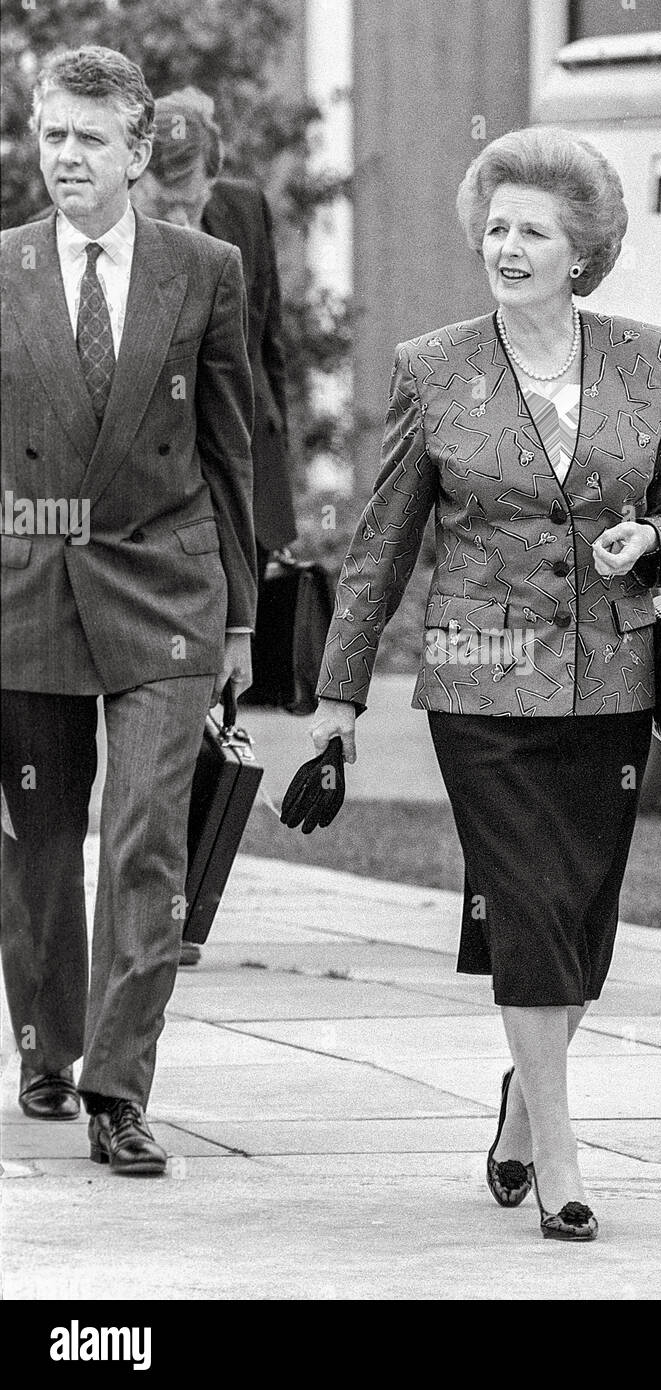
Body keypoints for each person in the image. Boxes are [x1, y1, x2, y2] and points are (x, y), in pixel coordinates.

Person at [310, 127, 661, 1240]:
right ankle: (566, 1161)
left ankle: (522, 1108)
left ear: (582, 252)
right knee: (528, 906)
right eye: (496, 228)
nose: (510, 246)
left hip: (613, 679)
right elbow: (382, 542)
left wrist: (655, 547)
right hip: (480, 685)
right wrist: (339, 695)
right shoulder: (433, 366)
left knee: (582, 920)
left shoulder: (649, 357)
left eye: (534, 230)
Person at [0, 47, 256, 1174]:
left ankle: (118, 1087)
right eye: (52, 134)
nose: (66, 156)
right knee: (42, 849)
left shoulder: (205, 269)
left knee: (147, 843)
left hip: (167, 582)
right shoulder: (0, 268)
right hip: (30, 580)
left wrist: (240, 618)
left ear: (138, 152)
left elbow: (230, 447)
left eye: (90, 139)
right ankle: (50, 1047)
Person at [130, 87, 297, 966]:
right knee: (173, 695)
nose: (179, 201)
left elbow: (270, 351)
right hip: (156, 486)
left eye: (189, 184)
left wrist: (278, 502)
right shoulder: (119, 237)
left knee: (216, 699)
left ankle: (188, 897)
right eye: (163, 186)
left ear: (215, 170)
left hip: (237, 475)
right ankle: (161, 901)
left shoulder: (245, 214)